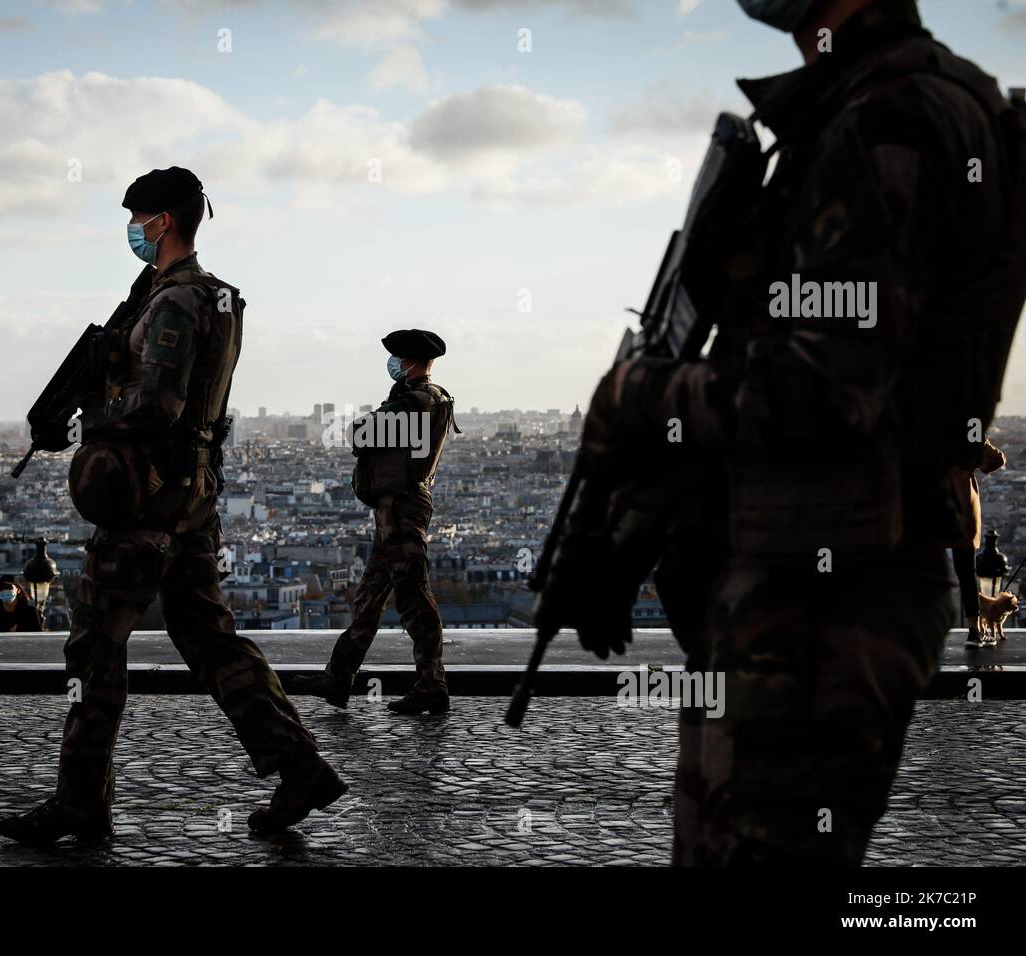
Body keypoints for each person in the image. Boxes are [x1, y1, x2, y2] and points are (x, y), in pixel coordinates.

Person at [540, 0, 1025, 865]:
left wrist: (639, 394)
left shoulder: (887, 119)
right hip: (818, 587)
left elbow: (824, 393)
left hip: (821, 608)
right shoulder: (899, 102)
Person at [0, 167, 345, 845]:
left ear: (161, 222)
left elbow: (159, 404)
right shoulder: (218, 298)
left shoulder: (175, 302)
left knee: (95, 646)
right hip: (192, 492)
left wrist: (89, 420)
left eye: (138, 219)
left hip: (148, 500)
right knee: (211, 639)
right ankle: (301, 769)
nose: (132, 231)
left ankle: (79, 803)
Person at [292, 329, 458, 715]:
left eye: (399, 358)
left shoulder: (416, 401)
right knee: (369, 600)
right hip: (394, 510)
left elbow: (361, 433)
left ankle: (432, 685)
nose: (393, 364)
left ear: (411, 362)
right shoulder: (426, 398)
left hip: (401, 508)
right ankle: (338, 678)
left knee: (413, 597)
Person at [952, 439, 1007, 646]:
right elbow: (995, 460)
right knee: (966, 571)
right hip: (961, 502)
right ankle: (974, 631)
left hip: (927, 501)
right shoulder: (969, 428)